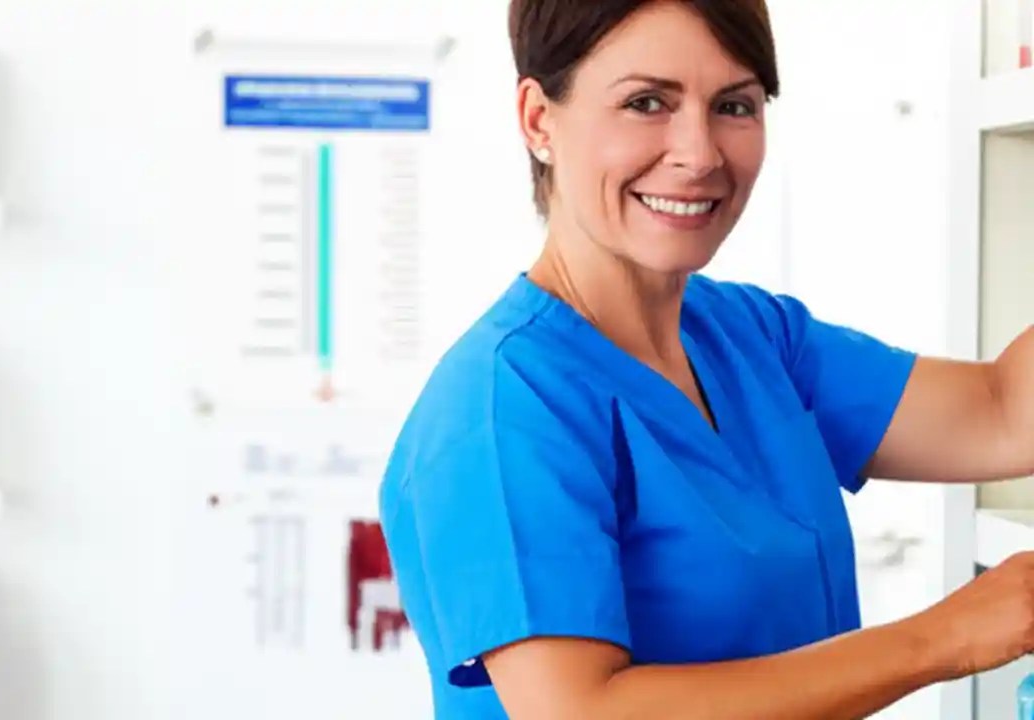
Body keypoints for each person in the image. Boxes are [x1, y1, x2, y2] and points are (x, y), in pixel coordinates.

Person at [377, 1, 1034, 718]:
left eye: (734, 105)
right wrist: (942, 638)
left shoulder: (751, 336)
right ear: (539, 120)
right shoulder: (503, 405)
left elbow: (1004, 413)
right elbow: (581, 711)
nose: (700, 153)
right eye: (647, 102)